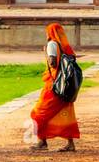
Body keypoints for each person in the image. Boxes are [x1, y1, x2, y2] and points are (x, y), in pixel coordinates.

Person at [30, 22, 80, 151]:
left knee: (38, 114)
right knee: (66, 114)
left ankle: (42, 142)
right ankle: (70, 144)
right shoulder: (64, 47)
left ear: (50, 33)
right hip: (65, 86)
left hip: (53, 86)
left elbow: (52, 63)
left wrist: (46, 54)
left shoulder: (52, 44)